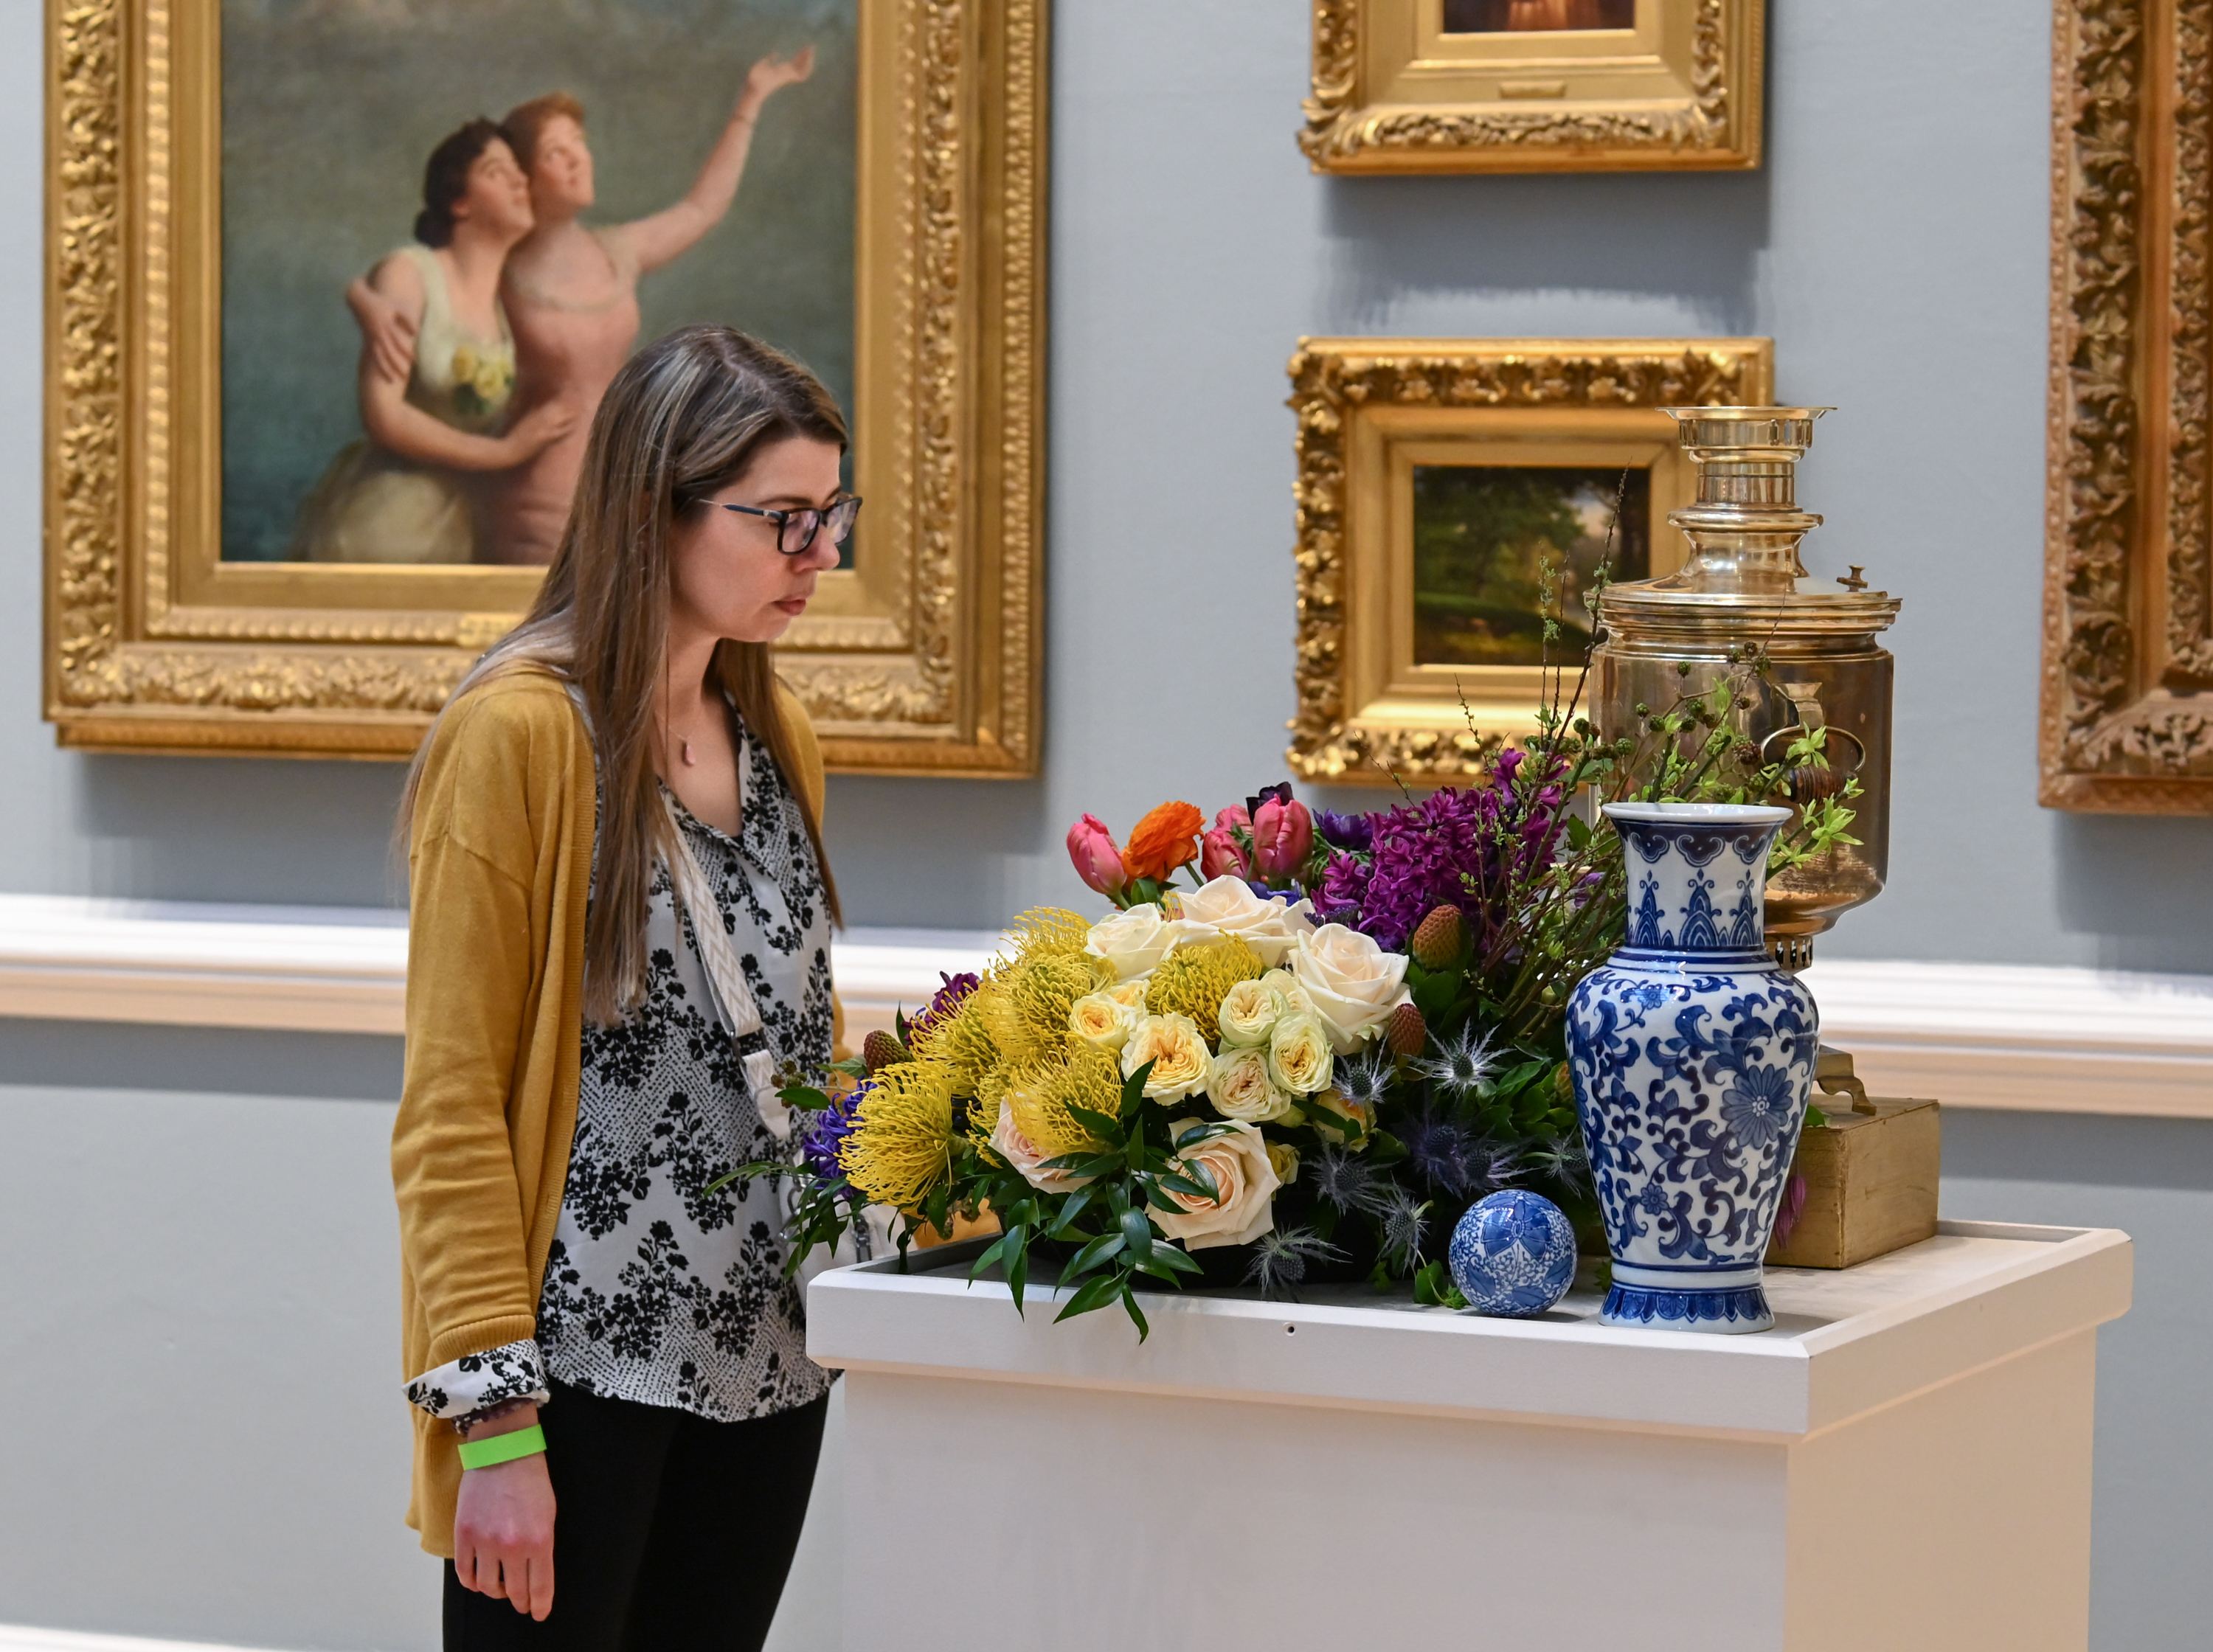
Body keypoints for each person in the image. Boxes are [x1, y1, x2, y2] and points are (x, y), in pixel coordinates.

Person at [392, 324, 860, 1648]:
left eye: (830, 516)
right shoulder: (521, 736)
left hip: (772, 1363)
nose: (818, 555)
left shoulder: (775, 732)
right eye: (783, 519)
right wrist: (492, 1434)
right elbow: (452, 1108)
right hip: (578, 1379)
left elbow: (785, 1032)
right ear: (655, 503)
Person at [355, 52, 818, 564]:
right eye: (557, 152)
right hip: (532, 496)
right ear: (526, 179)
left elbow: (701, 209)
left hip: (618, 487)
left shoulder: (614, 250)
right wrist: (363, 298)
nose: (579, 158)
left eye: (580, 143)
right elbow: (436, 283)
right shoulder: (501, 265)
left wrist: (750, 100)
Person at [296, 121, 575, 563]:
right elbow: (384, 413)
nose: (520, 180)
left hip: (463, 520)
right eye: (496, 171)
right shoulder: (410, 272)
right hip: (390, 515)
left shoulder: (510, 303)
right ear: (460, 202)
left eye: (518, 170)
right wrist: (505, 452)